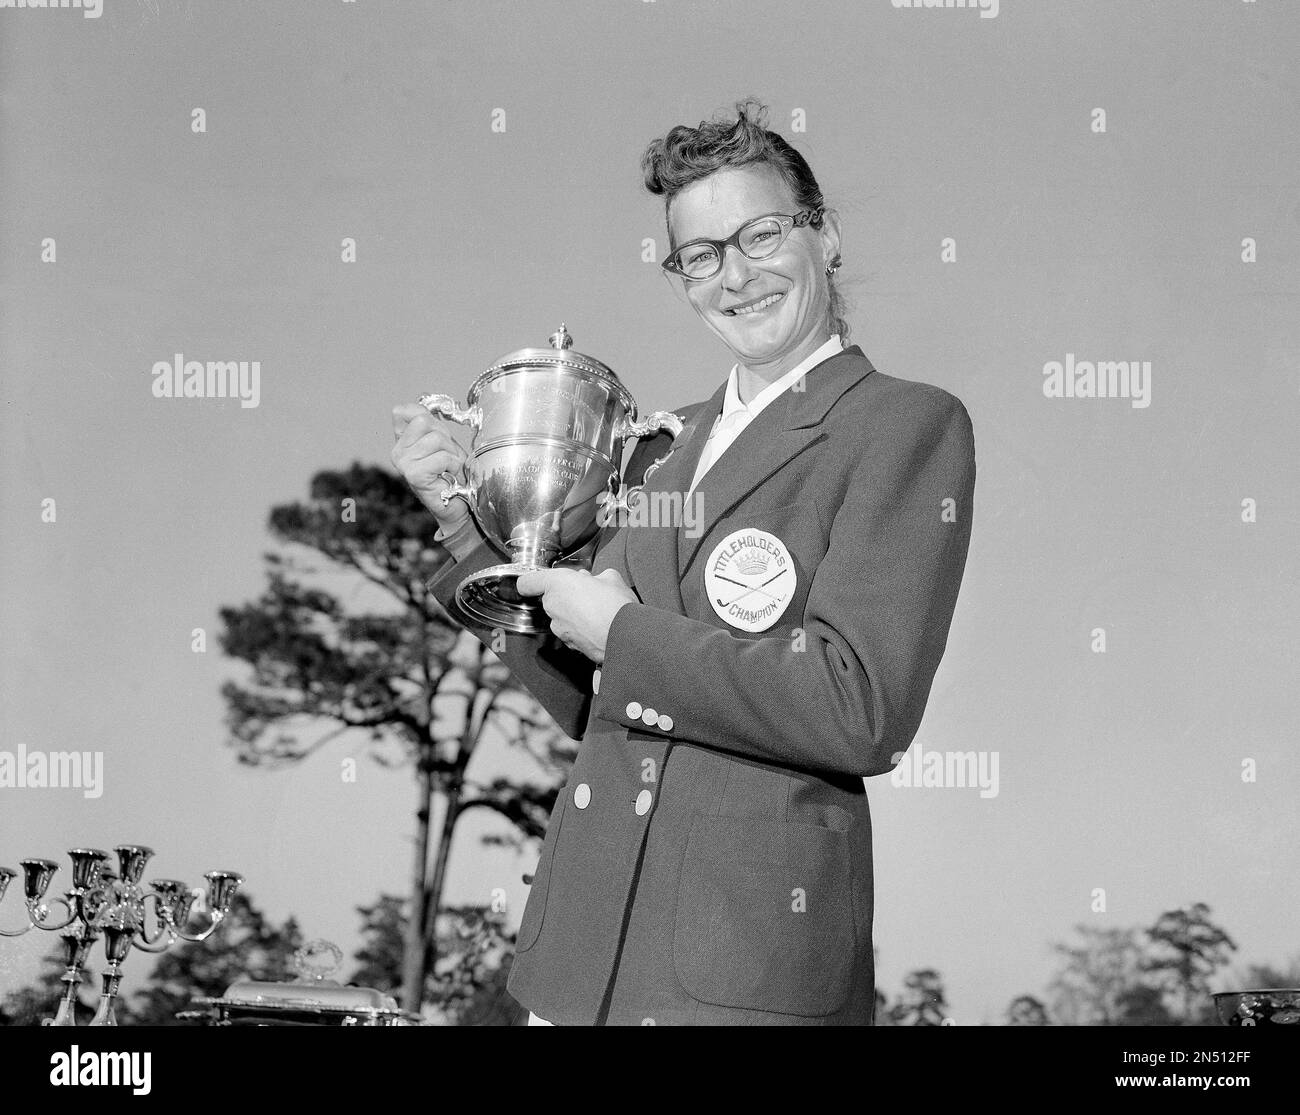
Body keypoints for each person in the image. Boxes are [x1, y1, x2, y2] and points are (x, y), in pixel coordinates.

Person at [390, 100, 976, 1025]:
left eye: (759, 235)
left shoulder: (902, 424)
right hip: (569, 967)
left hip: (741, 976)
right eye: (700, 255)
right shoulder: (658, 450)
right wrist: (470, 526)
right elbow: (596, 699)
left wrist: (623, 630)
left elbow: (859, 705)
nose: (734, 276)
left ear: (825, 237)